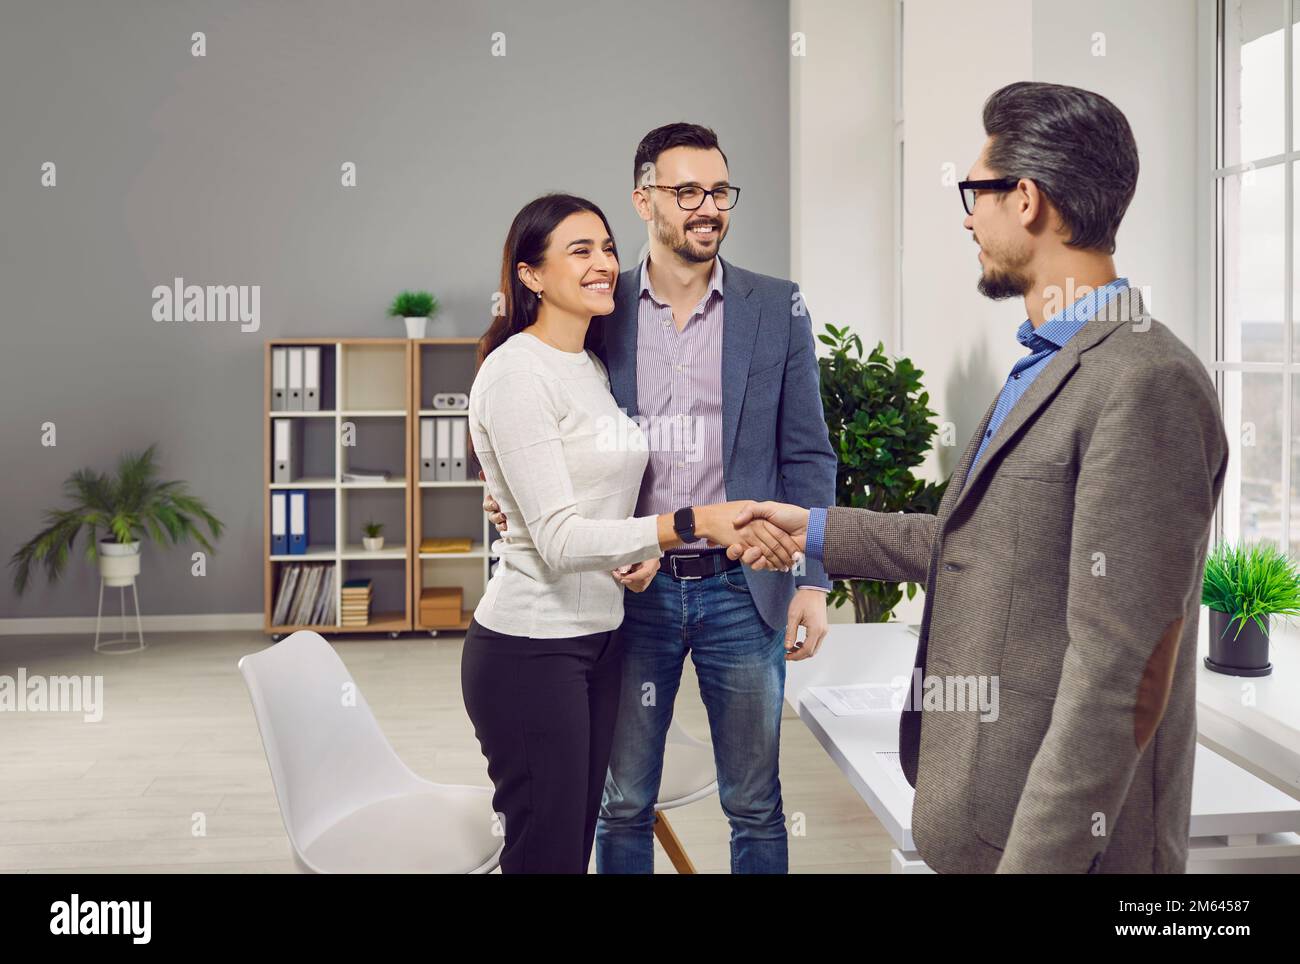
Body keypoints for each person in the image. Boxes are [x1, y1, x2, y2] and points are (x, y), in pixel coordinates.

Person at [726, 82, 1229, 874]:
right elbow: (995, 545)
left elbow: (1119, 676)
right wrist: (815, 530)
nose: (967, 217)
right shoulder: (1049, 360)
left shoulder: (1146, 381)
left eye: (976, 192)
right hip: (984, 819)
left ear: (1026, 199)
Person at [483, 123, 837, 873]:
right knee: (622, 801)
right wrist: (509, 499)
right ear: (645, 200)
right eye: (686, 192)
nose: (707, 207)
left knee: (756, 803)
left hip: (746, 590)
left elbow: (807, 451)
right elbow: (542, 429)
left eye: (719, 191)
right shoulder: (599, 313)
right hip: (630, 592)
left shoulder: (776, 308)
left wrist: (811, 581)